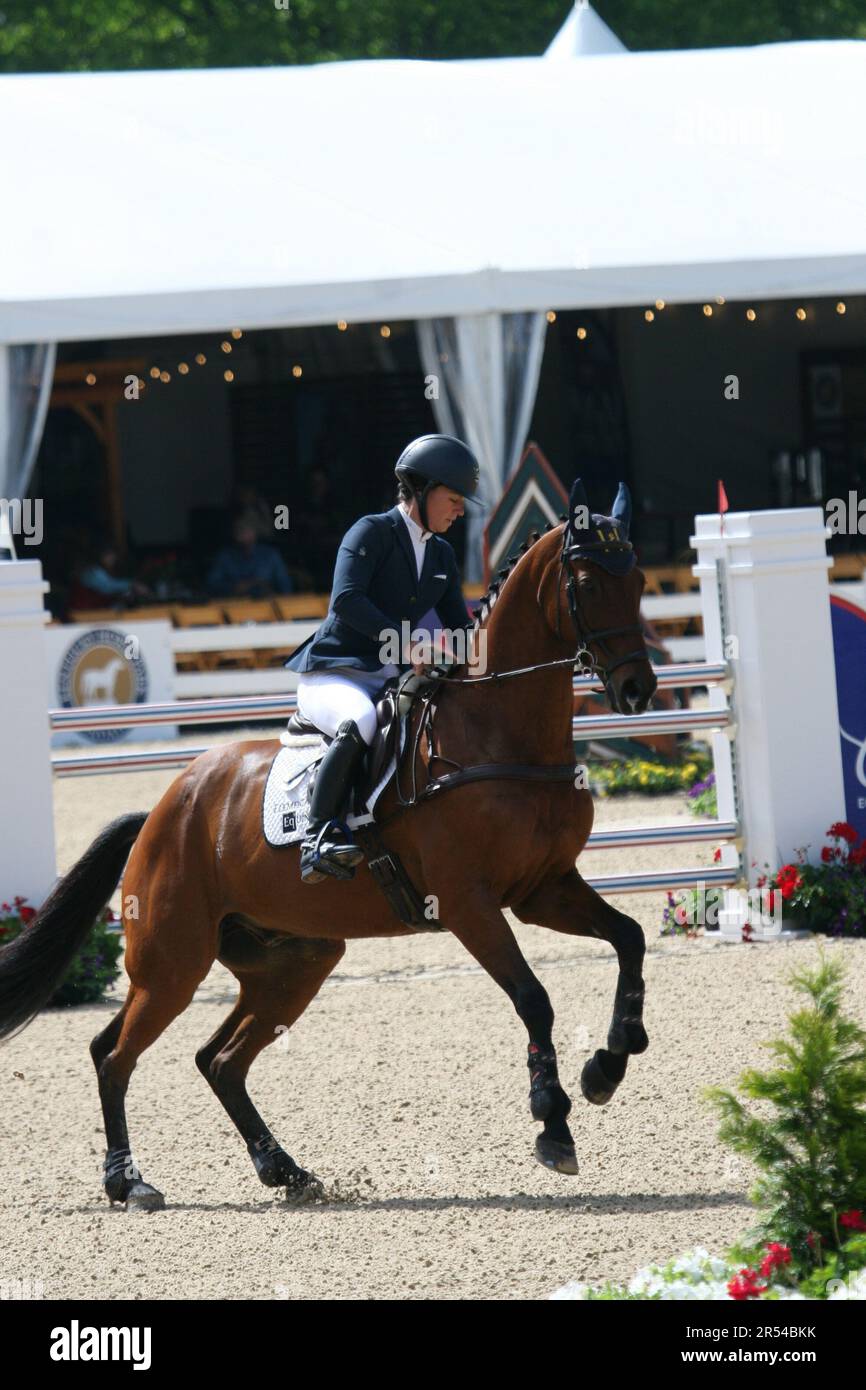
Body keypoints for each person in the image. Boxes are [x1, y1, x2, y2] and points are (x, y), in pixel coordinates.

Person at [284, 434, 482, 884]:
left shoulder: (441, 554)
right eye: (453, 499)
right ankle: (319, 836)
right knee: (361, 722)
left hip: (389, 676)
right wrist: (408, 642)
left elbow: (460, 626)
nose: (460, 510)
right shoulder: (370, 532)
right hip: (336, 673)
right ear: (420, 490)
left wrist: (493, 657)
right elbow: (347, 600)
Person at [206, 519, 294, 598]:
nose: (240, 534)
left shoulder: (270, 555)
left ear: (254, 532)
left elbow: (285, 587)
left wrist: (274, 595)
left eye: (245, 530)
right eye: (238, 530)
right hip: (235, 607)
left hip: (267, 607)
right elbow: (211, 585)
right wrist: (234, 587)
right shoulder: (225, 556)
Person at [68, 537, 151, 610]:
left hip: (96, 616)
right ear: (99, 555)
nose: (113, 558)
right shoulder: (90, 572)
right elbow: (108, 586)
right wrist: (133, 584)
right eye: (108, 554)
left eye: (113, 554)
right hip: (82, 618)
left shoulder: (105, 571)